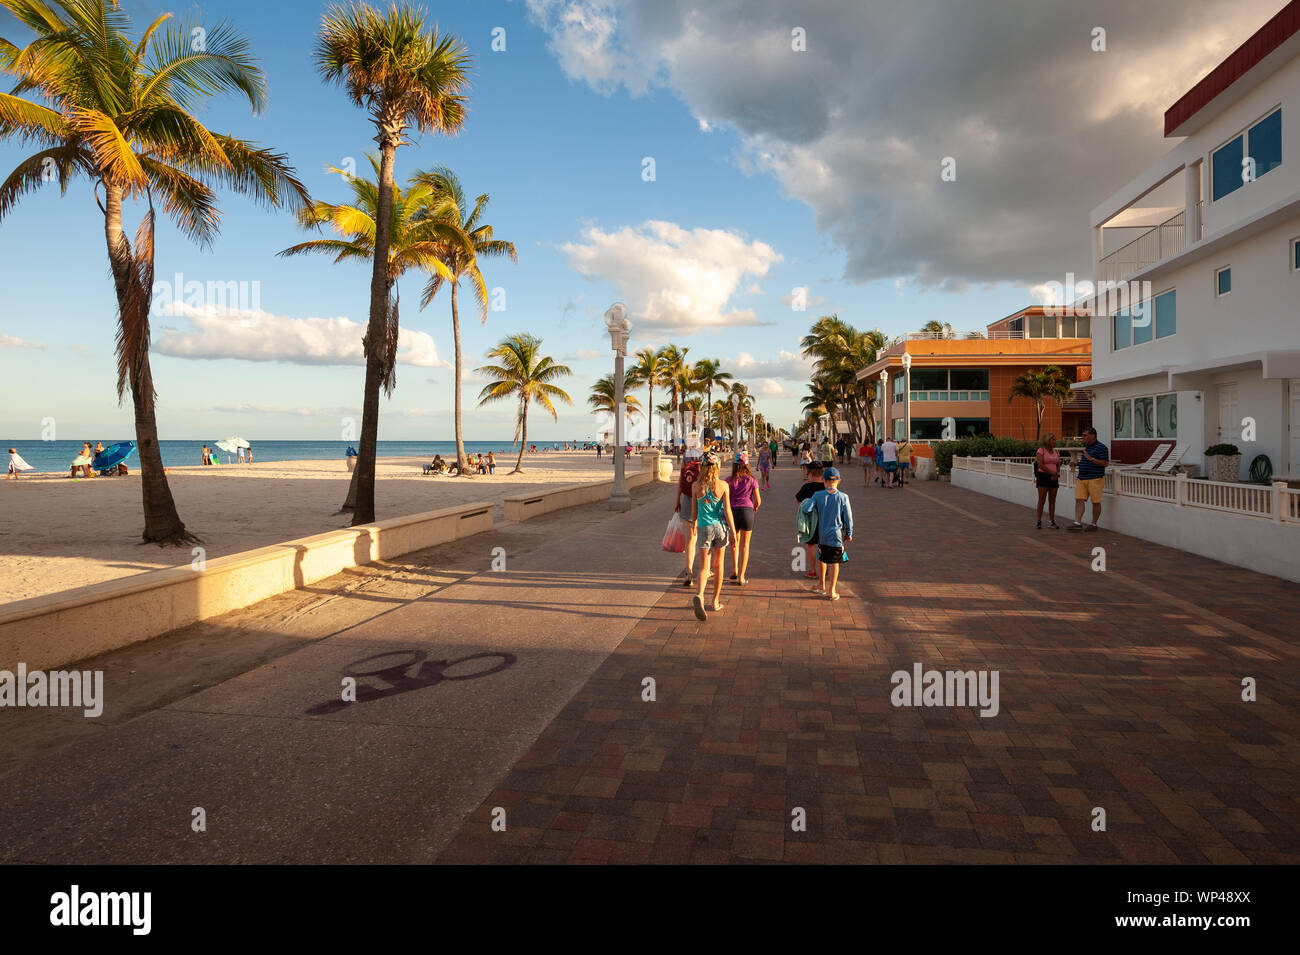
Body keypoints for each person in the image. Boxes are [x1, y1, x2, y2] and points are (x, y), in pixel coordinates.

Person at [691, 451, 737, 621]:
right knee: (718, 566)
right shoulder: (723, 485)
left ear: (702, 467)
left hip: (704, 528)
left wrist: (694, 525)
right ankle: (715, 601)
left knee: (704, 567)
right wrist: (733, 531)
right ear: (717, 467)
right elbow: (728, 510)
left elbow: (694, 512)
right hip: (720, 528)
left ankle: (700, 595)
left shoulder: (696, 486)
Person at [800, 466, 854, 600]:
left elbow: (807, 509)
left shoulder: (818, 495)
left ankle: (821, 584)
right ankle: (832, 590)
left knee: (822, 558)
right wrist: (849, 532)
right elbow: (848, 518)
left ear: (824, 481)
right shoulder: (843, 497)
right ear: (839, 481)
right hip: (836, 535)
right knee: (834, 563)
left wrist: (807, 503)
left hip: (822, 534)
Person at [727, 452, 761, 585]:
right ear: (747, 465)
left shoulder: (729, 480)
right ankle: (741, 577)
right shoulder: (752, 480)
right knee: (745, 546)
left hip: (732, 512)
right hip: (747, 511)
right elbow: (758, 500)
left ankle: (734, 570)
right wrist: (754, 508)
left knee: (734, 542)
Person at [1069, 427, 1109, 532]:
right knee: (1079, 499)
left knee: (1095, 502)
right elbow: (1086, 461)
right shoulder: (1086, 447)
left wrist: (1092, 459)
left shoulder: (1102, 447)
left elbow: (1105, 463)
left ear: (1093, 435)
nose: (1083, 437)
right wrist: (1076, 463)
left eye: (1085, 435)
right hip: (1082, 477)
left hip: (1095, 478)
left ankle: (1093, 524)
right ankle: (1077, 523)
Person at [674, 449, 702, 586]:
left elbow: (681, 479)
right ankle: (705, 570)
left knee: (690, 539)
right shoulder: (705, 456)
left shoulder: (686, 456)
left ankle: (688, 572)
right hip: (702, 501)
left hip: (687, 500)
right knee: (704, 539)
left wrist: (677, 501)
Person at [795, 461, 825, 581]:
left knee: (812, 544)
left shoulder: (807, 487)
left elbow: (798, 500)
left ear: (810, 474)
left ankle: (812, 570)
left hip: (811, 521)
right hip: (825, 520)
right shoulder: (826, 487)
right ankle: (824, 568)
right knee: (824, 545)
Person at [1033, 433, 1062, 529]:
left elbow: (1058, 464)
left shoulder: (1056, 451)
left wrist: (1057, 473)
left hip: (1054, 478)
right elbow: (1040, 465)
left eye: (1055, 439)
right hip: (1043, 476)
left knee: (1052, 500)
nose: (1055, 441)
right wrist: (1052, 473)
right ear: (1047, 441)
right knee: (1042, 500)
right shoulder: (1041, 451)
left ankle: (1051, 521)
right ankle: (1039, 521)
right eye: (1053, 439)